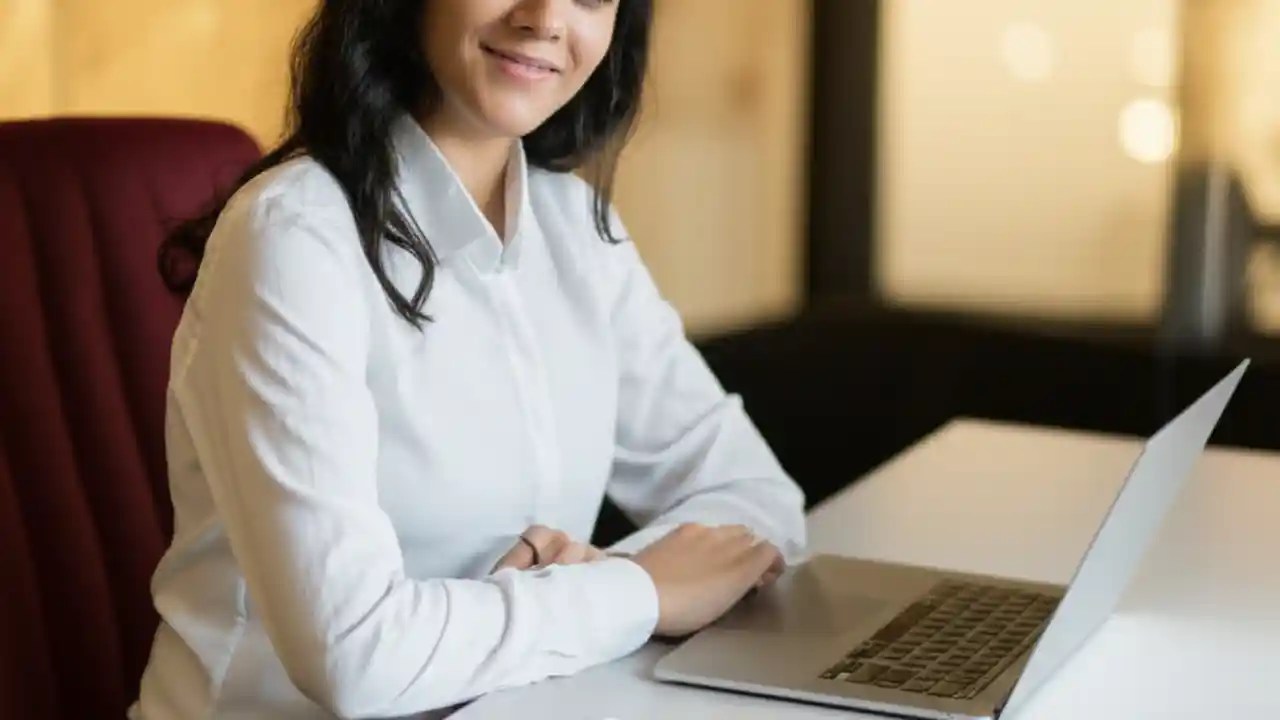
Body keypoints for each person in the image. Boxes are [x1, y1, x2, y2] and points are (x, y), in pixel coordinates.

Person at [131, 1, 807, 717]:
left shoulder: (576, 227)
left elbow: (761, 502)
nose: (545, 18)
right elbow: (354, 656)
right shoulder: (294, 238)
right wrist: (637, 592)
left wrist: (617, 578)